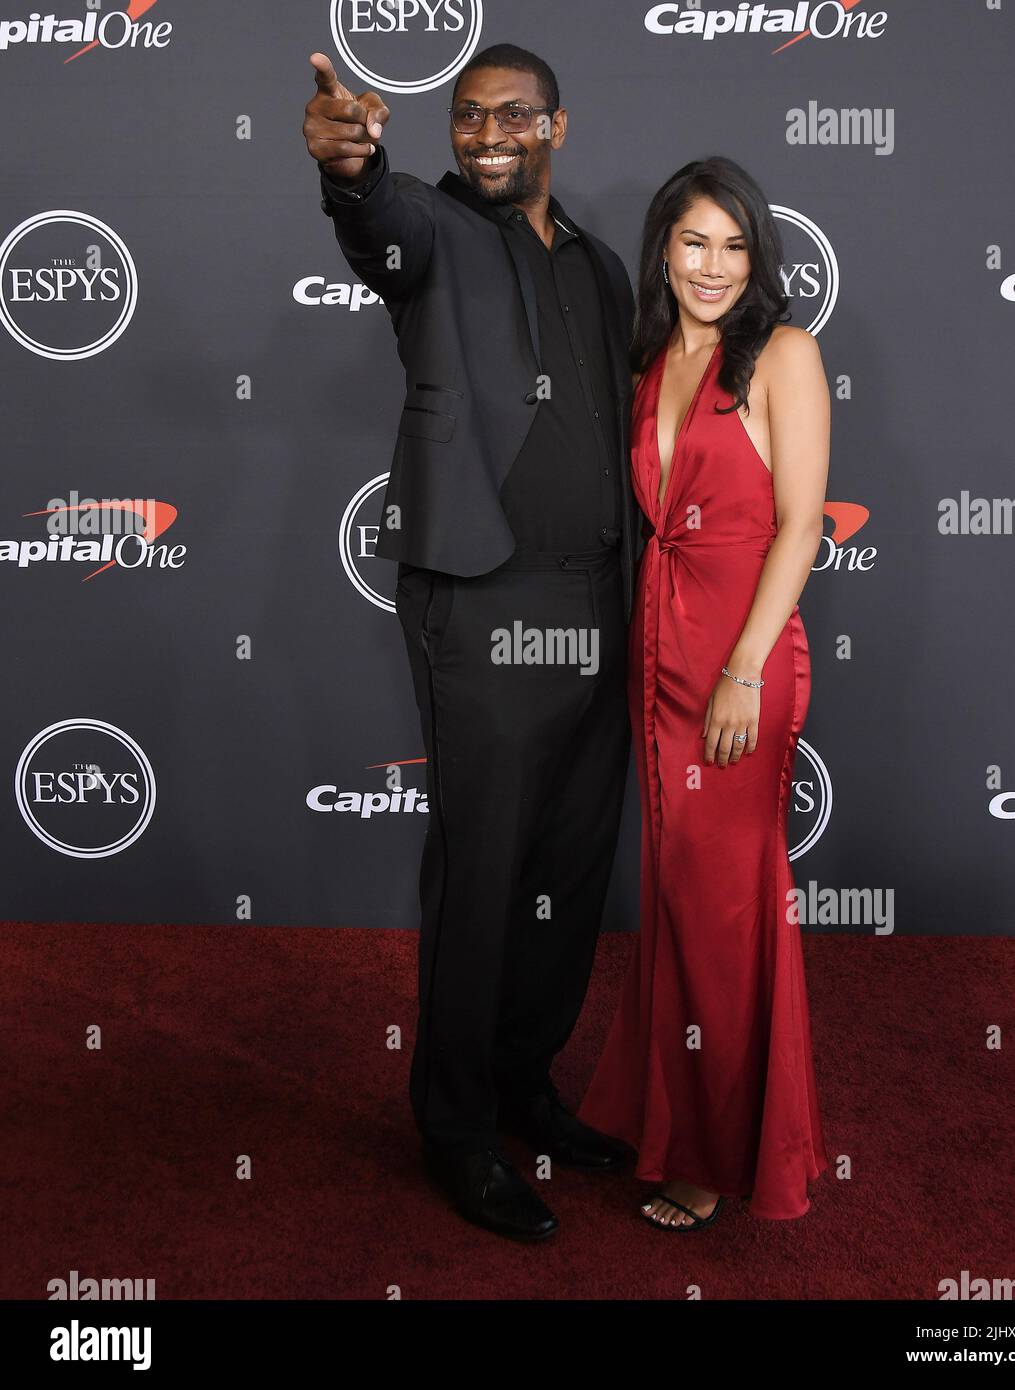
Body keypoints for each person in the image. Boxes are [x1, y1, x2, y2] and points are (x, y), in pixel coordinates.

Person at [302, 44, 640, 1242]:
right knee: (483, 872)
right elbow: (374, 226)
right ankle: (452, 1126)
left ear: (557, 124)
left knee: (565, 872)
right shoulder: (433, 236)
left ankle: (522, 1084)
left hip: (601, 608)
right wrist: (353, 173)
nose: (486, 133)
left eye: (511, 115)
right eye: (465, 116)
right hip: (486, 607)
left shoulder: (601, 269)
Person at [577, 157, 831, 1230]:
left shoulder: (780, 354)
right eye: (692, 242)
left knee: (724, 914)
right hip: (659, 657)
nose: (712, 265)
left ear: (755, 258)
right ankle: (673, 1123)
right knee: (676, 905)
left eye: (733, 245)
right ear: (662, 250)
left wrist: (739, 670)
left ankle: (728, 1156)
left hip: (741, 658)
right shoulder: (648, 359)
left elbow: (800, 526)